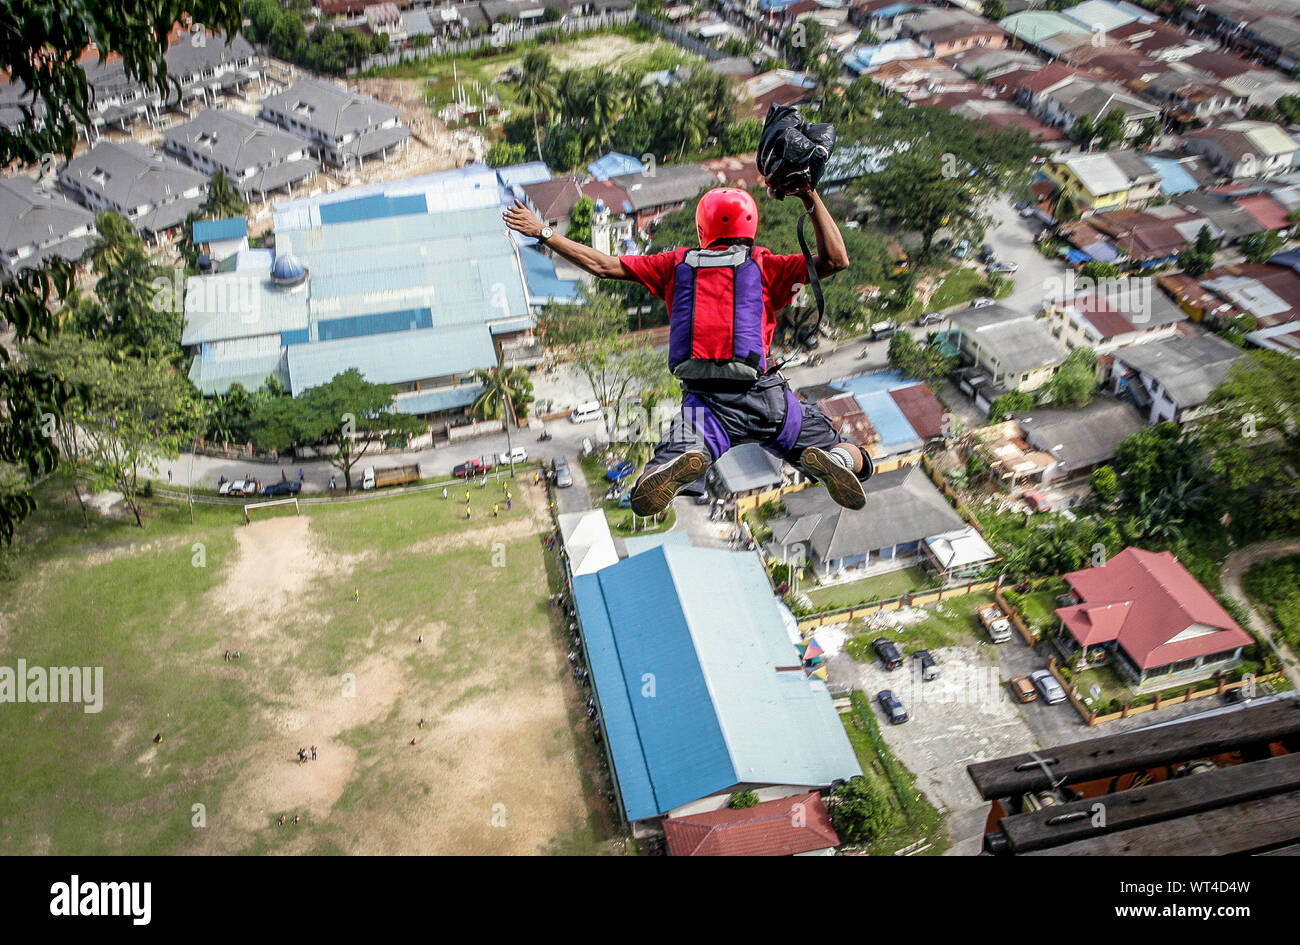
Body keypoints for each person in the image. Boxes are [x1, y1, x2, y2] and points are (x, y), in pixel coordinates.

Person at [505, 186, 872, 515]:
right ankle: (837, 458)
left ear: (703, 228)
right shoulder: (765, 264)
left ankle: (671, 465)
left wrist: (544, 232)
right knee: (851, 453)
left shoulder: (675, 264)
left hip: (706, 405)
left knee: (665, 462)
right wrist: (808, 194)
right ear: (750, 227)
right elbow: (836, 259)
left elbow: (603, 265)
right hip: (765, 398)